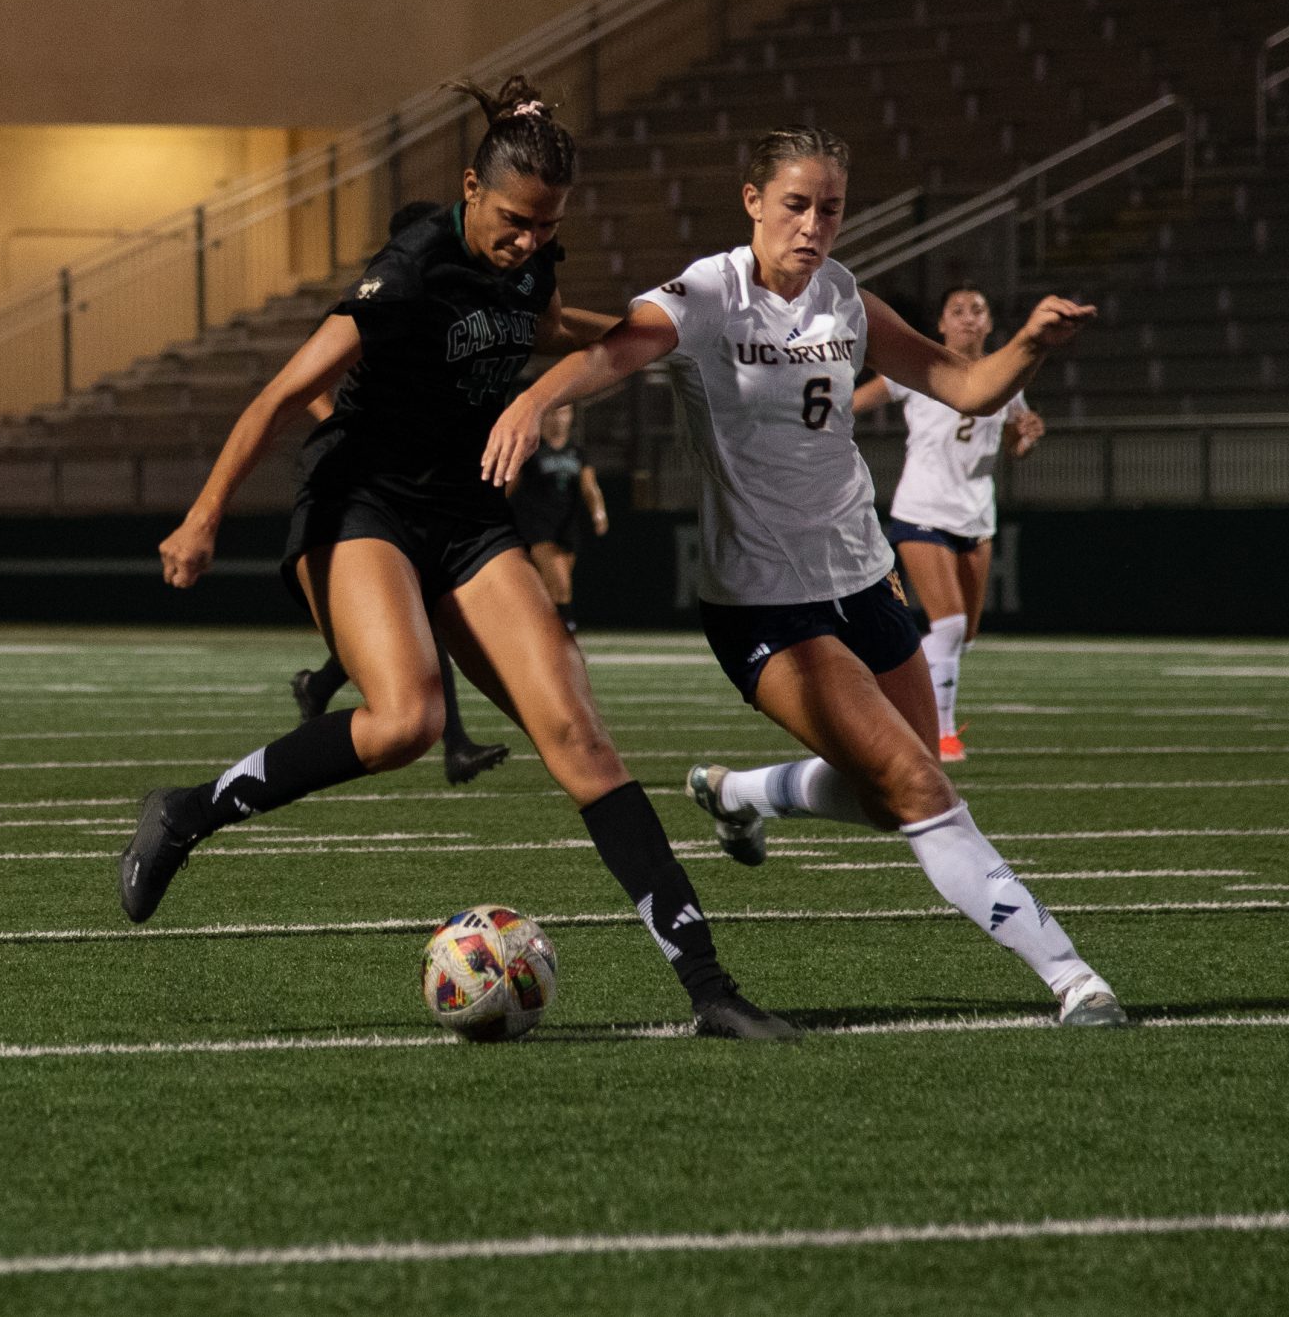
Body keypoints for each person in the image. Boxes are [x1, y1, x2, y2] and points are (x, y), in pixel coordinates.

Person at [122, 77, 798, 1041]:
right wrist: (202, 518)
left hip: (468, 512)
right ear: (470, 187)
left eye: (546, 227)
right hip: (362, 501)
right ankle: (187, 813)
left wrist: (653, 338)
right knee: (406, 721)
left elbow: (542, 322)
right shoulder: (409, 270)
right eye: (516, 222)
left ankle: (710, 989)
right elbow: (281, 395)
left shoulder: (531, 260)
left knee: (580, 738)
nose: (529, 243)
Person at [485, 126, 1126, 1028]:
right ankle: (1074, 979)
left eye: (830, 208)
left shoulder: (844, 299)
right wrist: (532, 397)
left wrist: (1032, 344)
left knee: (890, 797)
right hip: (764, 602)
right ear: (752, 202)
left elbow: (967, 385)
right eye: (795, 204)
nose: (814, 224)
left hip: (866, 579)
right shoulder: (710, 292)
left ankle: (743, 793)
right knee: (920, 783)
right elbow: (617, 352)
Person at [290, 199, 510, 786]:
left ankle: (323, 685)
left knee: (419, 618)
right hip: (368, 488)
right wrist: (345, 424)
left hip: (427, 487)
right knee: (416, 623)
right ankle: (452, 742)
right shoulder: (384, 292)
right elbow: (308, 379)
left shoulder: (442, 289)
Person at [851, 284, 1043, 760]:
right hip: (922, 510)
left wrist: (1027, 435)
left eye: (978, 310)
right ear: (940, 324)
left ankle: (896, 675)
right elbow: (852, 404)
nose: (967, 318)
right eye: (956, 310)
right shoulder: (921, 366)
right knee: (951, 623)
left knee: (962, 635)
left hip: (977, 516)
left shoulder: (1006, 376)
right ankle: (940, 733)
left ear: (991, 323)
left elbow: (1018, 431)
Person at [507, 402, 608, 631]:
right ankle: (566, 634)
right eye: (553, 413)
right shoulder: (531, 450)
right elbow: (510, 487)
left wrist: (598, 512)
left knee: (552, 589)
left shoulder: (577, 453)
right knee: (561, 586)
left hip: (567, 527)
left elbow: (589, 487)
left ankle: (540, 637)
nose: (558, 419)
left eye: (563, 413)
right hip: (538, 526)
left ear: (571, 416)